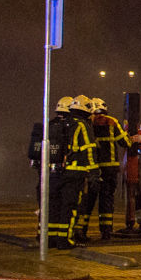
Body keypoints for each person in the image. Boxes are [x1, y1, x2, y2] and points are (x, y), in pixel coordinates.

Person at [44, 96, 82, 250]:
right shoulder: (71, 126)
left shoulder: (51, 125)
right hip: (68, 173)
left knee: (52, 206)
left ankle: (49, 238)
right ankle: (64, 240)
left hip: (50, 172)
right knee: (68, 207)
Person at [87, 97, 128, 239]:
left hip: (91, 168)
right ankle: (106, 231)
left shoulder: (87, 122)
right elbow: (125, 142)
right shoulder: (111, 121)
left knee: (88, 200)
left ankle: (80, 231)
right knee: (107, 199)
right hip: (109, 168)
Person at [66, 96, 99, 243]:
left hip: (58, 172)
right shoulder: (83, 126)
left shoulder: (62, 123)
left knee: (60, 204)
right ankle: (72, 236)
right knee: (77, 205)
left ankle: (57, 236)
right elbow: (89, 151)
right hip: (77, 172)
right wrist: (94, 173)